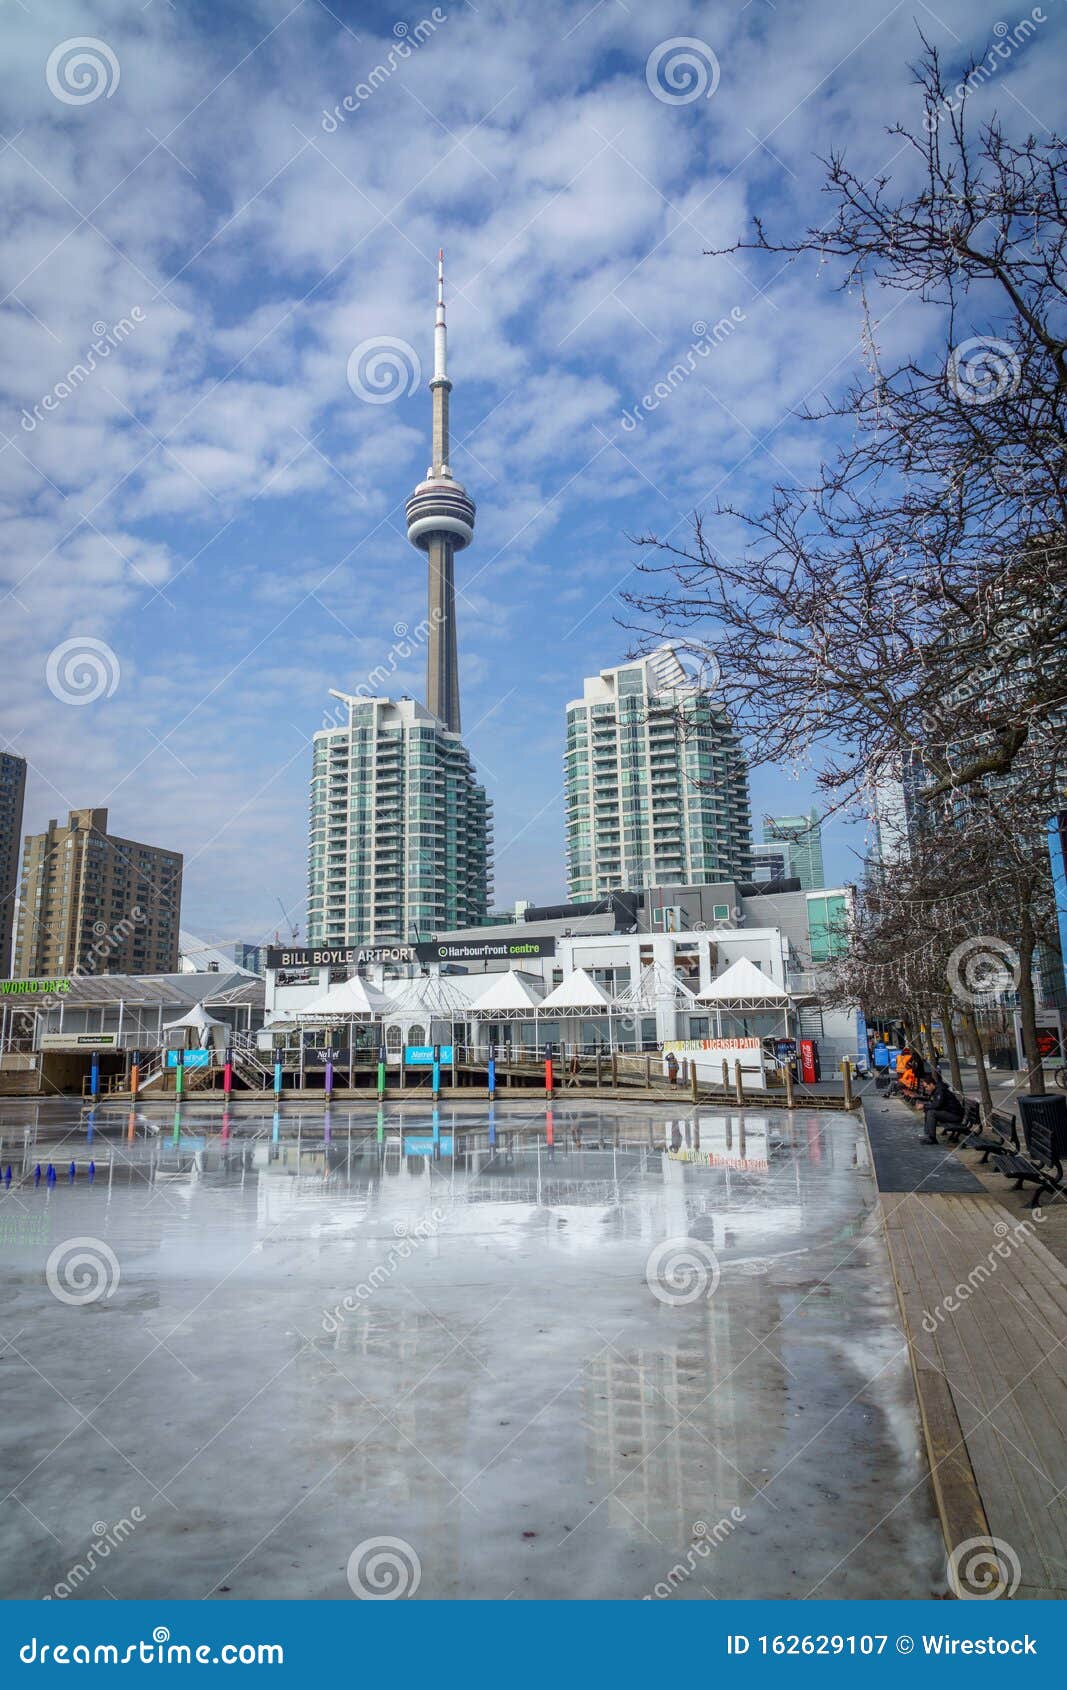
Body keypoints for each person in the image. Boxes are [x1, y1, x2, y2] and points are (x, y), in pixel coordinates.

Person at [918, 1074, 965, 1144]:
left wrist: (924, 1106)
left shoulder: (940, 1090)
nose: (926, 1089)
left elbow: (937, 1105)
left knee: (931, 1113)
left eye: (926, 1087)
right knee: (928, 1110)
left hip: (955, 1115)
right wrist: (926, 1106)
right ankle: (927, 1135)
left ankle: (932, 1138)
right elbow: (936, 1104)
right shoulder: (937, 1089)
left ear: (931, 1084)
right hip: (949, 1113)